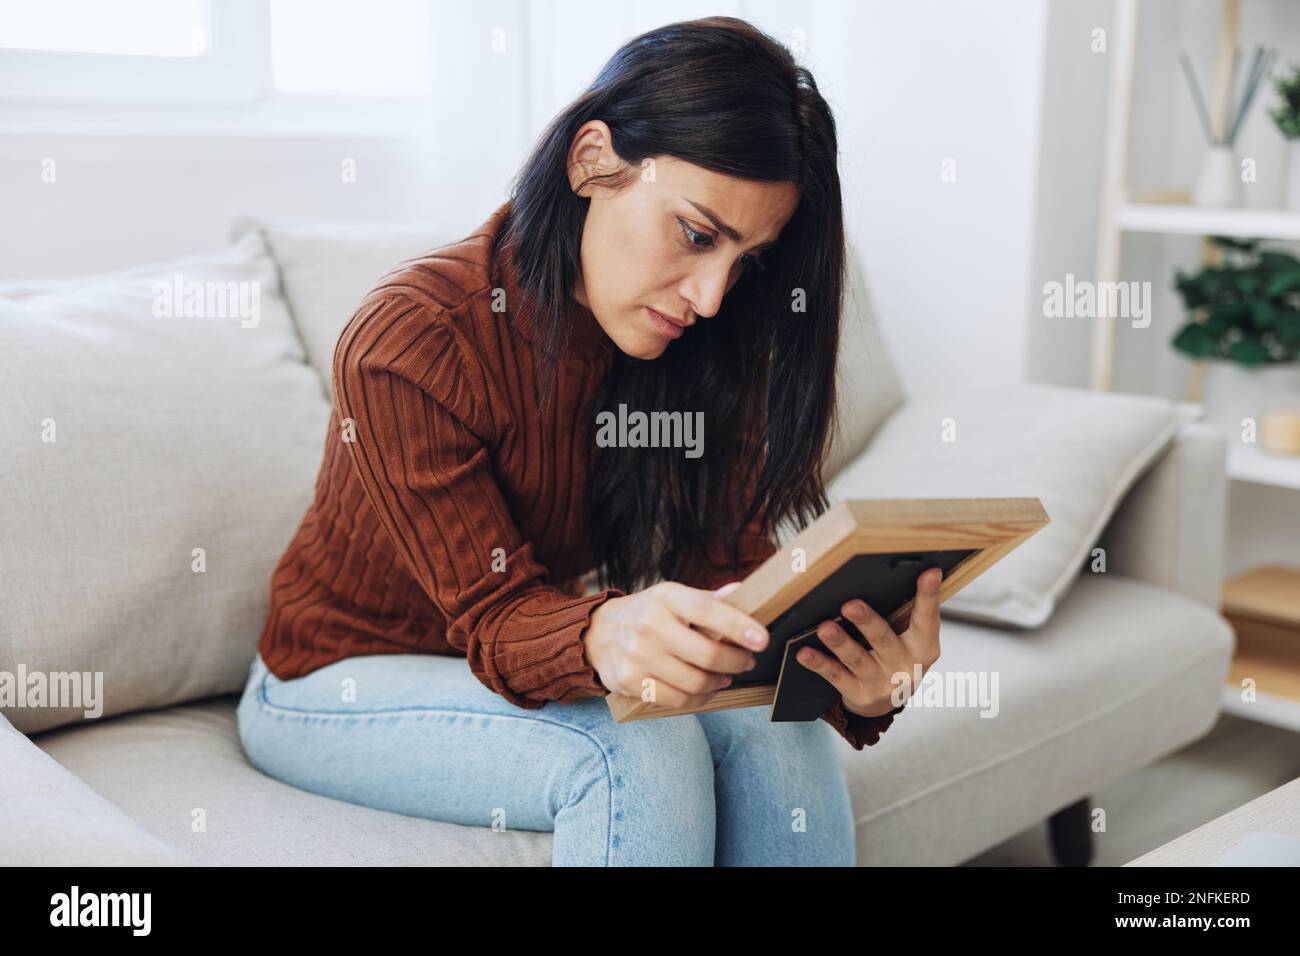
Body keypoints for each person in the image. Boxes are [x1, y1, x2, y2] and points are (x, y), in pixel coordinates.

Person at [237, 15, 942, 867]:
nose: (713, 295)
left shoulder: (699, 343)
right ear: (592, 161)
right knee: (635, 748)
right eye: (696, 233)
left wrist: (849, 683)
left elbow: (728, 572)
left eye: (746, 259)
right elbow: (494, 620)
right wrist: (602, 635)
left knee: (771, 726)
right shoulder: (413, 340)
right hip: (331, 680)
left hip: (512, 659)